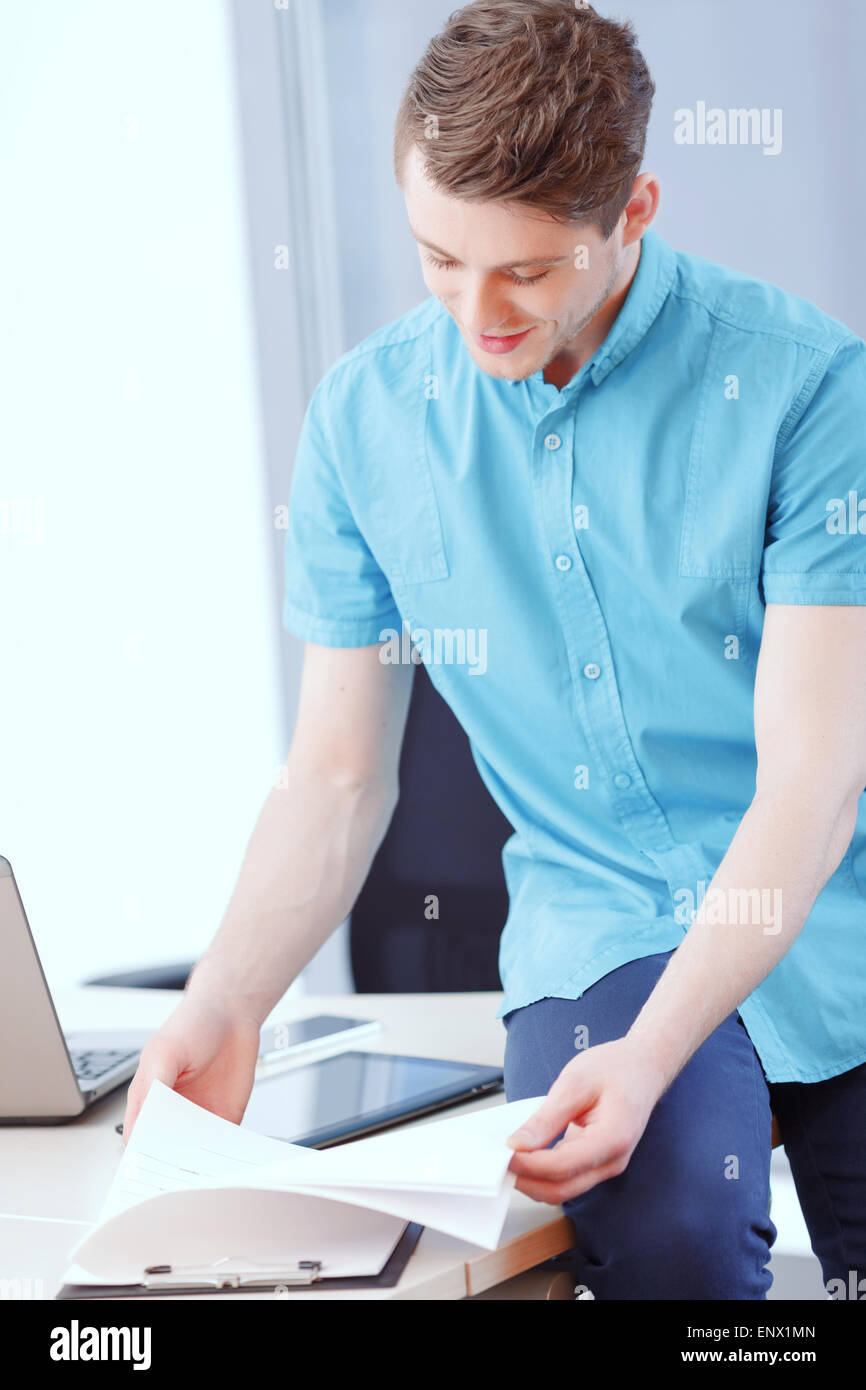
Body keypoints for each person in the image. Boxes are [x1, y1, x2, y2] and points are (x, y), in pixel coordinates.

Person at [122, 0, 866, 1299]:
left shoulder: (805, 387)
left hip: (836, 907)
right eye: (438, 259)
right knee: (670, 1235)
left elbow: (807, 778)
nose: (478, 313)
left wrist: (653, 1050)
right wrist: (228, 997)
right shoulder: (363, 424)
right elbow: (335, 780)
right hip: (602, 929)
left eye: (523, 271)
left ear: (632, 211)